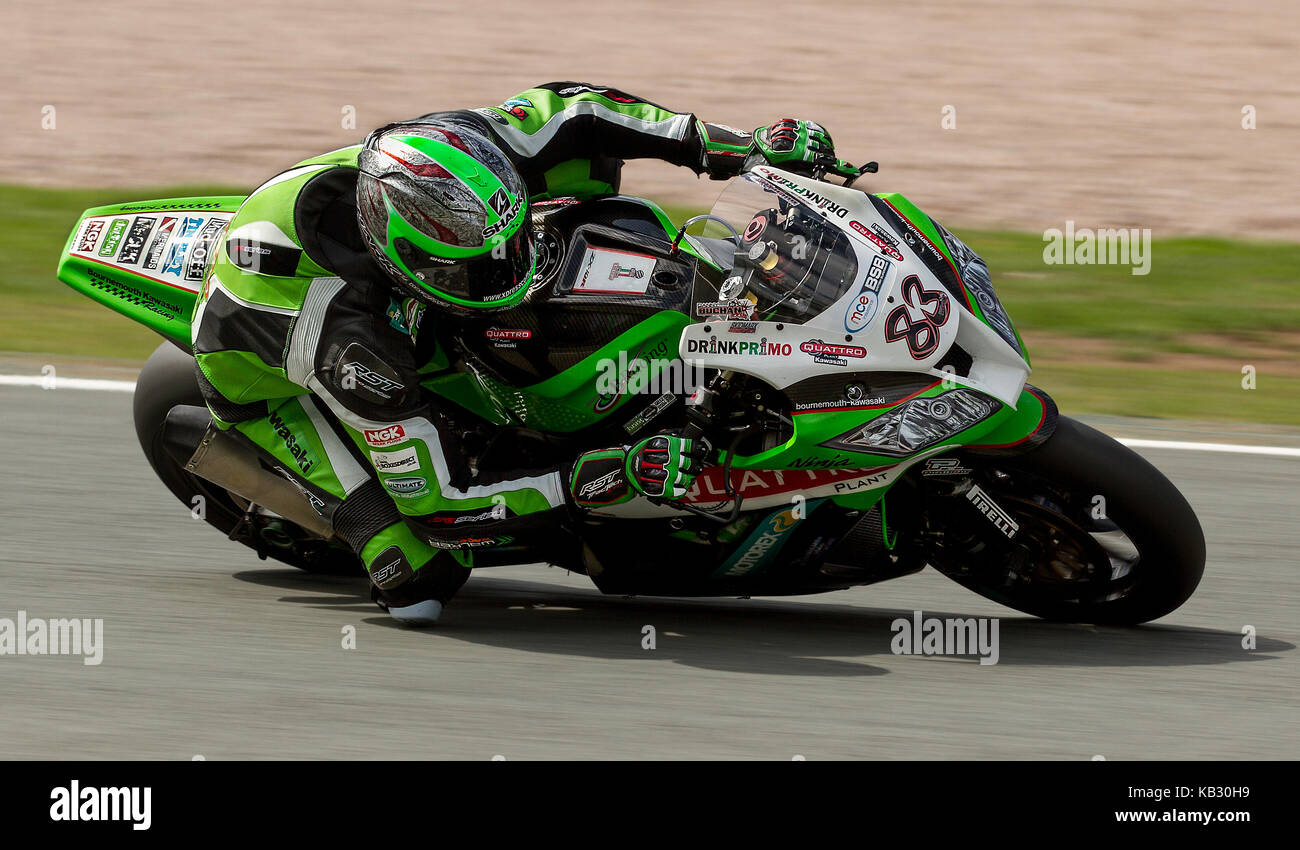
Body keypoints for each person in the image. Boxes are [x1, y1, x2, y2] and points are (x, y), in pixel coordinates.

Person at [191, 82, 842, 625]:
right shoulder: (358, 352)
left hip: (337, 254)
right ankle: (343, 517)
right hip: (269, 373)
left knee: (590, 163)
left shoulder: (456, 142)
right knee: (424, 577)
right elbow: (441, 502)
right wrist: (605, 472)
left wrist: (732, 147)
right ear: (408, 263)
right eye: (481, 272)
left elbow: (575, 110)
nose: (510, 277)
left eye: (509, 252)